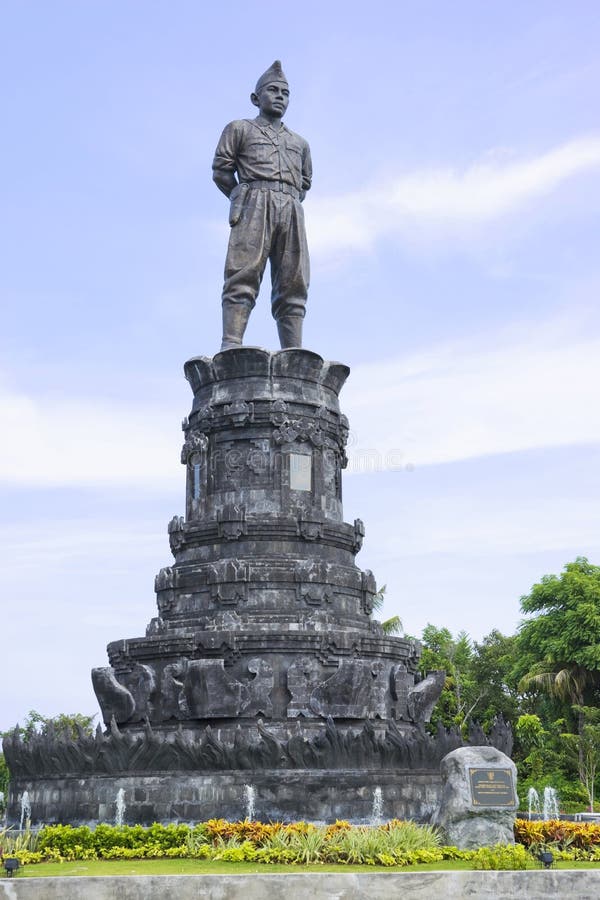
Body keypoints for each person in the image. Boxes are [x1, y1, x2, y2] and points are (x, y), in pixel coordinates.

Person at [212, 61, 312, 351]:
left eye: (285, 92)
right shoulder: (239, 129)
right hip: (254, 201)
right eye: (272, 90)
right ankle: (231, 344)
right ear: (256, 98)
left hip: (291, 207)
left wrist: (287, 200)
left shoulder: (300, 143)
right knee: (243, 271)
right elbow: (221, 170)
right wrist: (239, 196)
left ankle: (294, 351)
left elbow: (305, 182)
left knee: (294, 280)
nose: (280, 96)